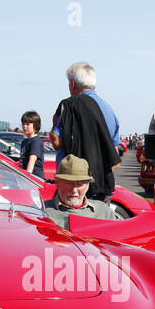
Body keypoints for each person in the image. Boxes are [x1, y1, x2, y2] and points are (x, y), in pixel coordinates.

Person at [51, 61, 120, 199]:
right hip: (102, 186)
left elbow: (56, 142)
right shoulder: (109, 109)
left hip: (74, 187)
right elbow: (115, 152)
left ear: (72, 84)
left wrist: (55, 124)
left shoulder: (69, 105)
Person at [44, 155, 118, 229]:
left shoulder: (103, 211)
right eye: (69, 183)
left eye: (79, 184)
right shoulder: (43, 211)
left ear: (88, 185)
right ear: (57, 183)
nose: (74, 190)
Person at [19, 110, 46, 175]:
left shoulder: (36, 141)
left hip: (33, 179)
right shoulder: (24, 141)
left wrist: (27, 177)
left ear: (36, 125)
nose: (24, 126)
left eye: (28, 124)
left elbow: (32, 161)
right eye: (23, 124)